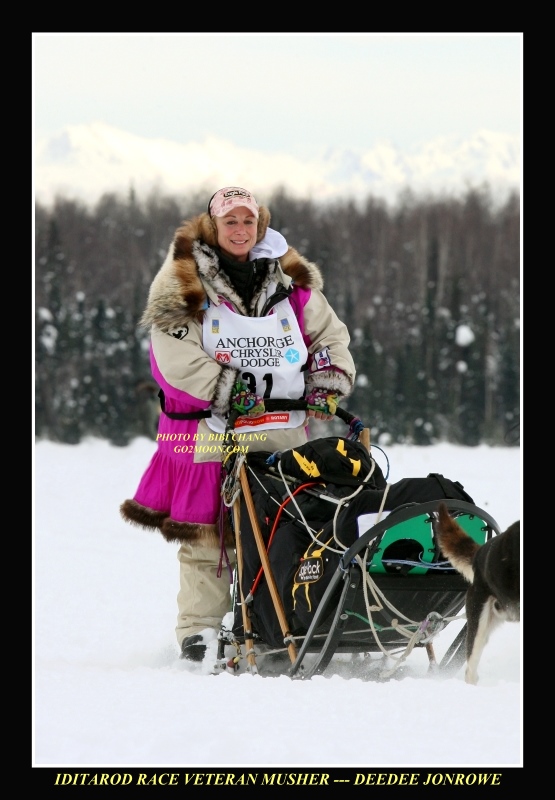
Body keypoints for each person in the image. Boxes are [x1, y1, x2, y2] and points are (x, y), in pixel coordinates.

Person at [120, 186, 356, 662]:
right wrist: (233, 389)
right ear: (213, 226)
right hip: (204, 431)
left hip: (278, 430)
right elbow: (173, 358)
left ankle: (268, 623)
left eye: (249, 221)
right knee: (208, 537)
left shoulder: (287, 278)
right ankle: (199, 634)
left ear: (260, 226)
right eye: (231, 221)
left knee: (276, 531)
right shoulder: (182, 276)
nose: (241, 230)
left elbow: (327, 335)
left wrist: (326, 381)